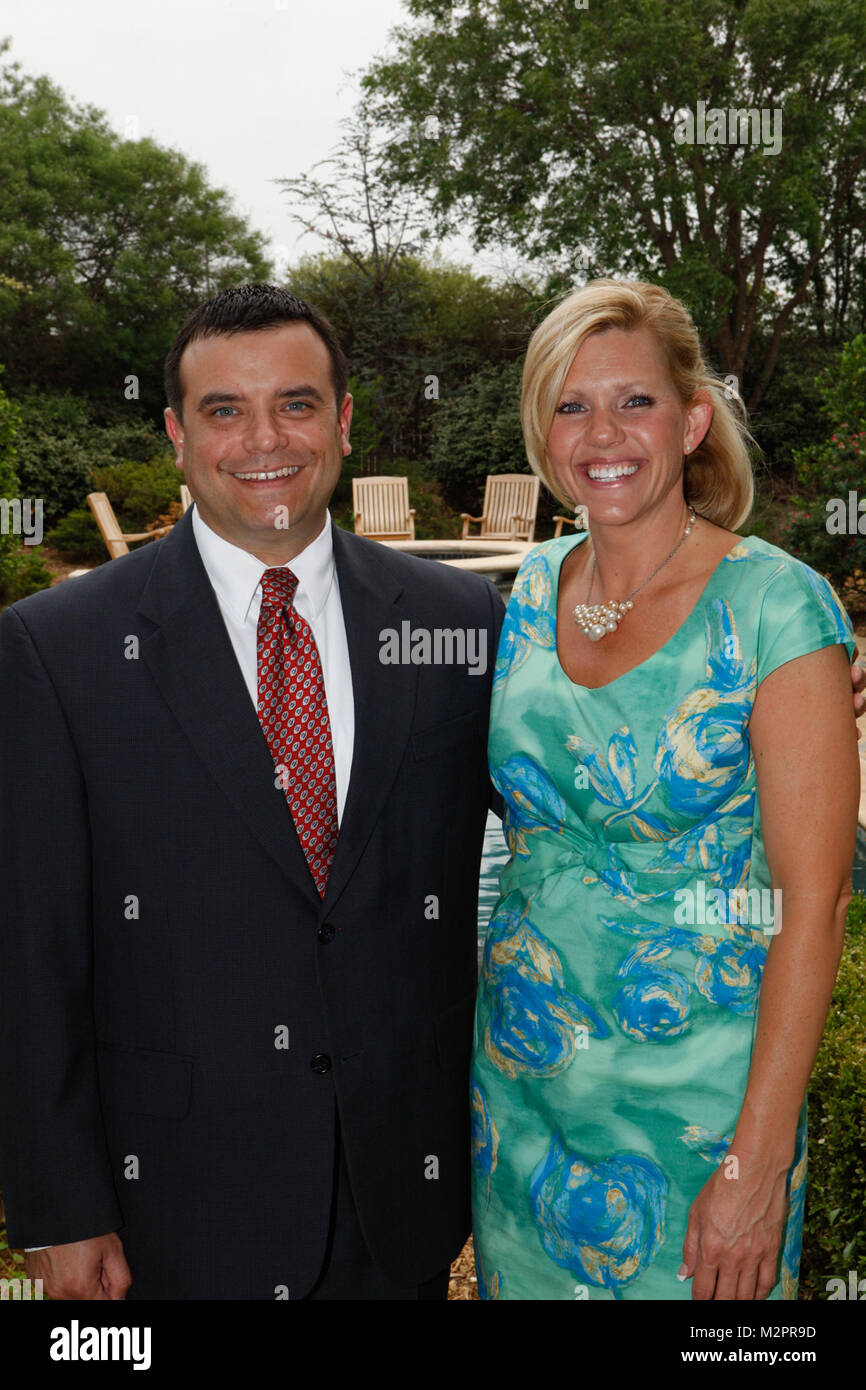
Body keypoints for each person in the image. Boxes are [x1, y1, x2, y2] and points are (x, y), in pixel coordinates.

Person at [0, 283, 506, 1300]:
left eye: (296, 402)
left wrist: (766, 698)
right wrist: (61, 1206)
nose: (262, 437)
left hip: (397, 1197)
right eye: (225, 409)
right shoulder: (60, 649)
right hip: (173, 1210)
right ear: (178, 433)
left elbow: (585, 780)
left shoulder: (461, 624)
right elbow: (28, 948)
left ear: (344, 421)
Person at [470, 279, 862, 1301]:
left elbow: (811, 903)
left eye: (631, 400)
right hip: (522, 1101)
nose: (600, 432)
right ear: (540, 434)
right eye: (568, 404)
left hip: (700, 1109)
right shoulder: (528, 590)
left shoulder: (775, 607)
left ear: (690, 420)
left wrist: (754, 1163)